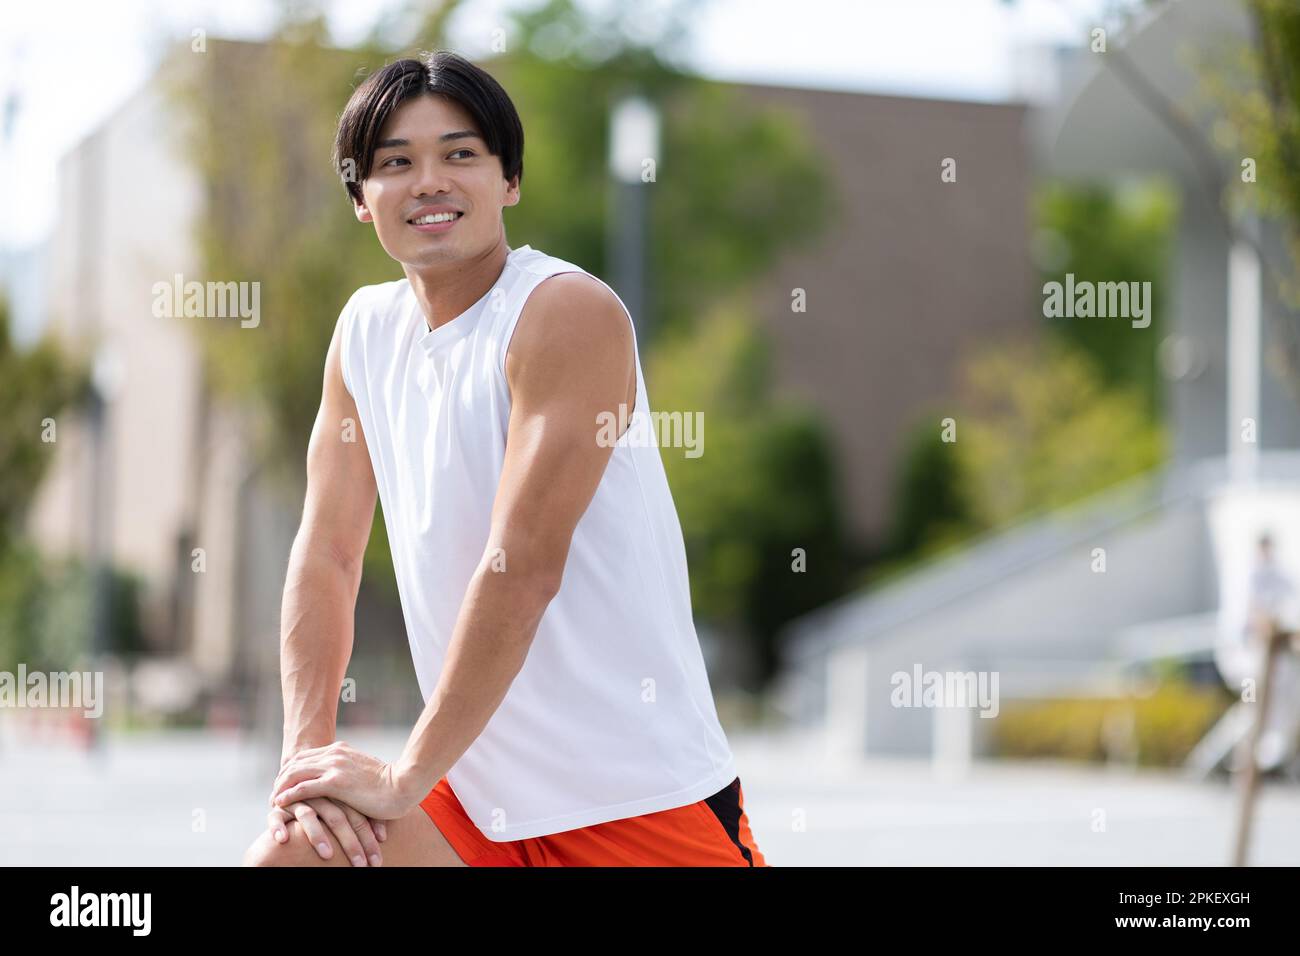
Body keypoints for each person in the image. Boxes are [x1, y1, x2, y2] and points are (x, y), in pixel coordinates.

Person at [241, 51, 765, 867]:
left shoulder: (563, 312)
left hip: (638, 801)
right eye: (395, 163)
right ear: (359, 197)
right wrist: (303, 770)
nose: (429, 182)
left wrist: (404, 775)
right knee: (297, 855)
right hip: (477, 801)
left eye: (460, 154)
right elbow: (329, 553)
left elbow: (521, 569)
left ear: (509, 180)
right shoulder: (364, 334)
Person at [1214, 533, 1300, 772]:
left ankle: (1270, 752)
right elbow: (1243, 621)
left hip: (1275, 661)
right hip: (1246, 658)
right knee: (1255, 702)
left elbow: (1290, 606)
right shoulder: (1244, 577)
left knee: (1283, 692)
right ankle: (1249, 755)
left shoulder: (1280, 576)